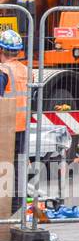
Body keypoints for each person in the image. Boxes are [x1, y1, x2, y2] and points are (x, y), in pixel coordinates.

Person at [0, 28, 26, 216]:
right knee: (15, 168)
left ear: (1, 50)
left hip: (5, 128)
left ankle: (4, 209)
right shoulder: (25, 70)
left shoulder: (3, 72)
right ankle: (14, 206)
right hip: (21, 126)